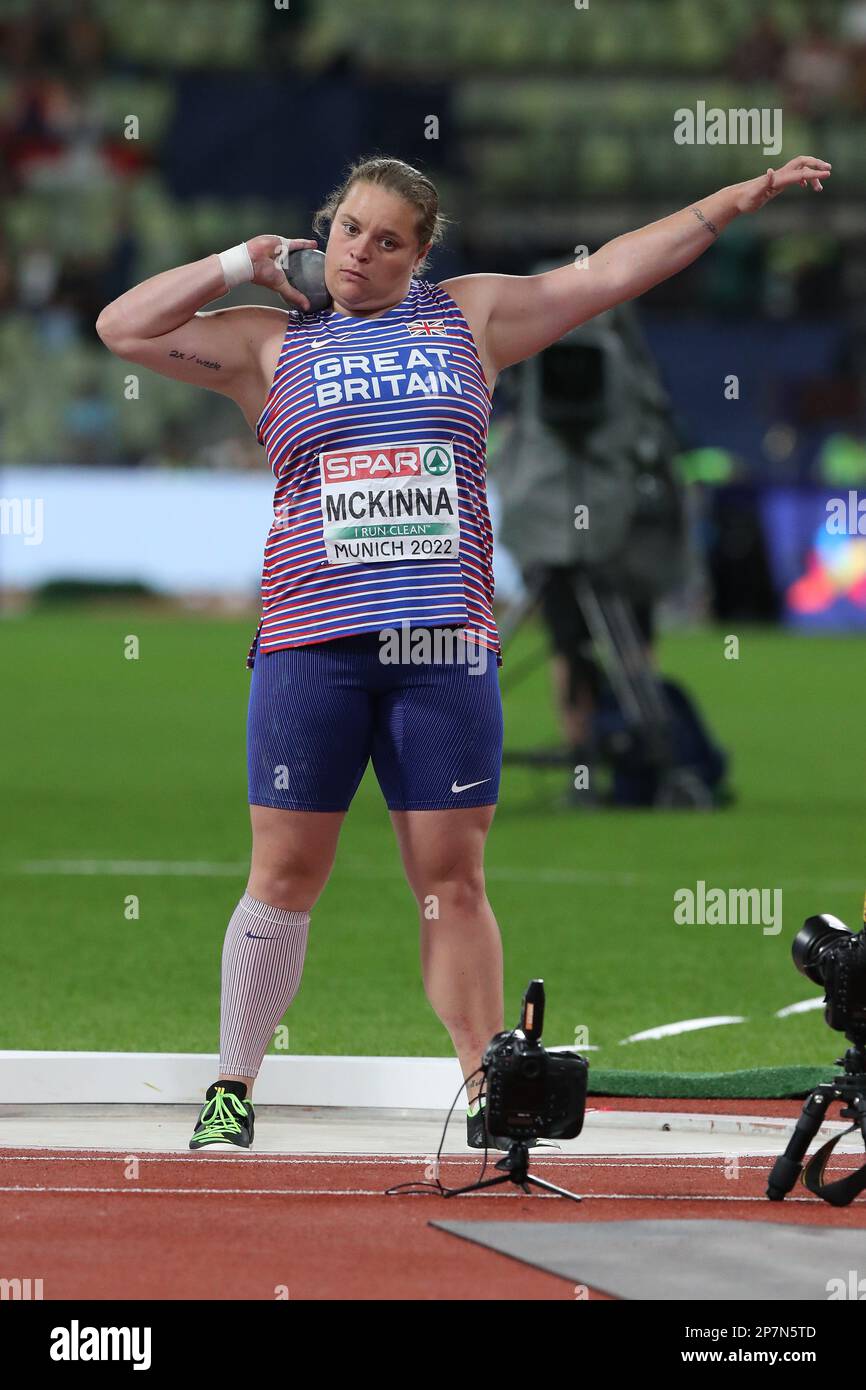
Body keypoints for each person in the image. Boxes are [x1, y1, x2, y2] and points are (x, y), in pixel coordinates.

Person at [95, 150, 831, 1154]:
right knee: (286, 868)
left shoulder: (467, 318)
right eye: (349, 228)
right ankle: (232, 1085)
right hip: (313, 641)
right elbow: (122, 326)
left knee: (451, 874)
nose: (361, 253)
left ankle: (489, 1083)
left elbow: (607, 272)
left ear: (421, 252)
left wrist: (726, 203)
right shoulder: (269, 343)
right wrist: (243, 257)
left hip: (442, 643)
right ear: (327, 226)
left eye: (388, 240)